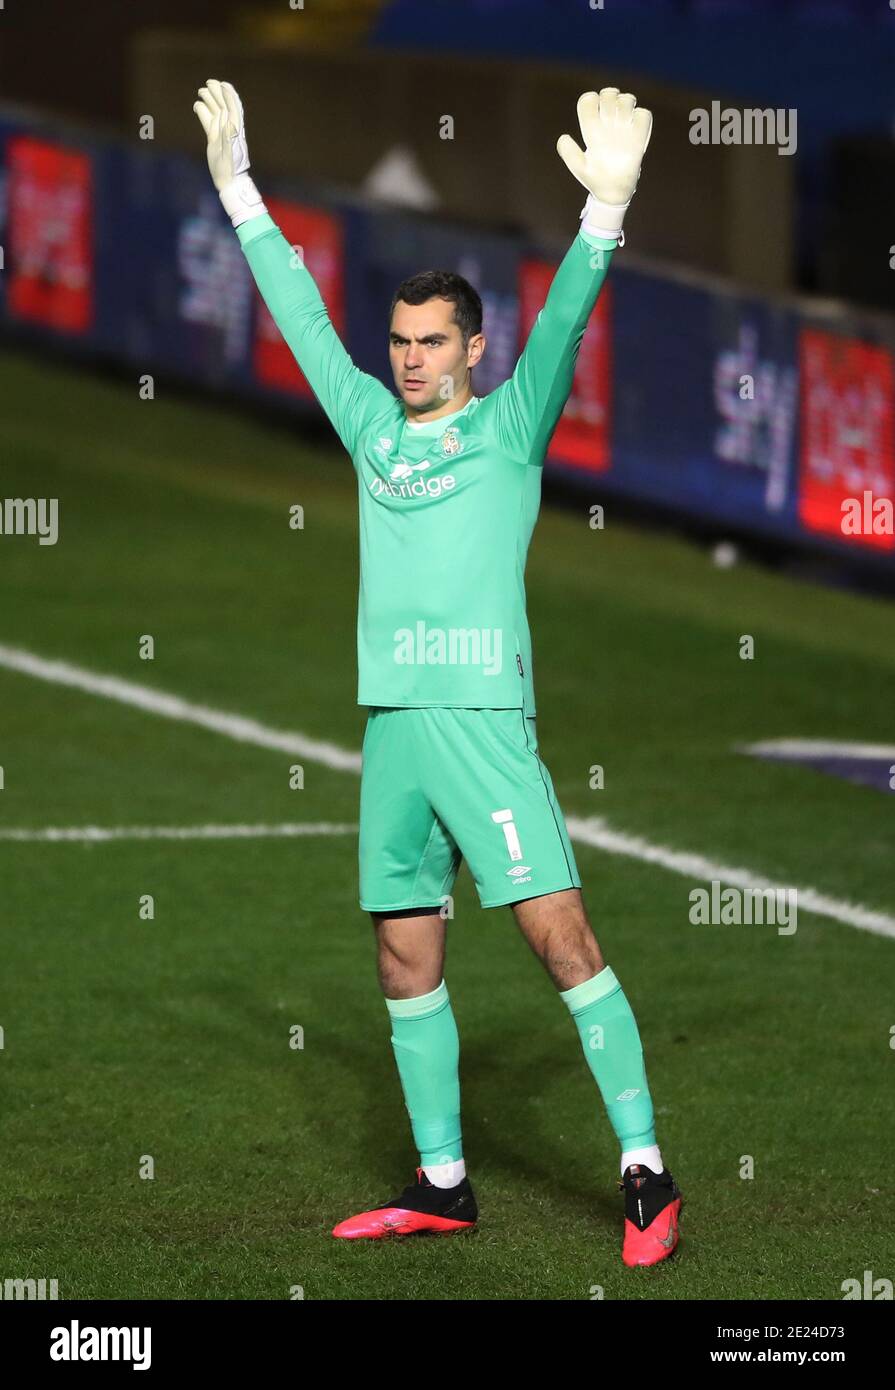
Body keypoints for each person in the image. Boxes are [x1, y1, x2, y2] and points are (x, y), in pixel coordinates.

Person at [194, 79, 682, 1267]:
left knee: (560, 935)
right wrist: (239, 192)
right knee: (402, 954)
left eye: (431, 343)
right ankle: (442, 1181)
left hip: (480, 721)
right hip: (396, 728)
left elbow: (564, 325)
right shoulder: (368, 428)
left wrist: (602, 216)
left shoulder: (509, 429)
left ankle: (646, 1170)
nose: (409, 359)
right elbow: (302, 318)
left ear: (473, 349)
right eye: (400, 342)